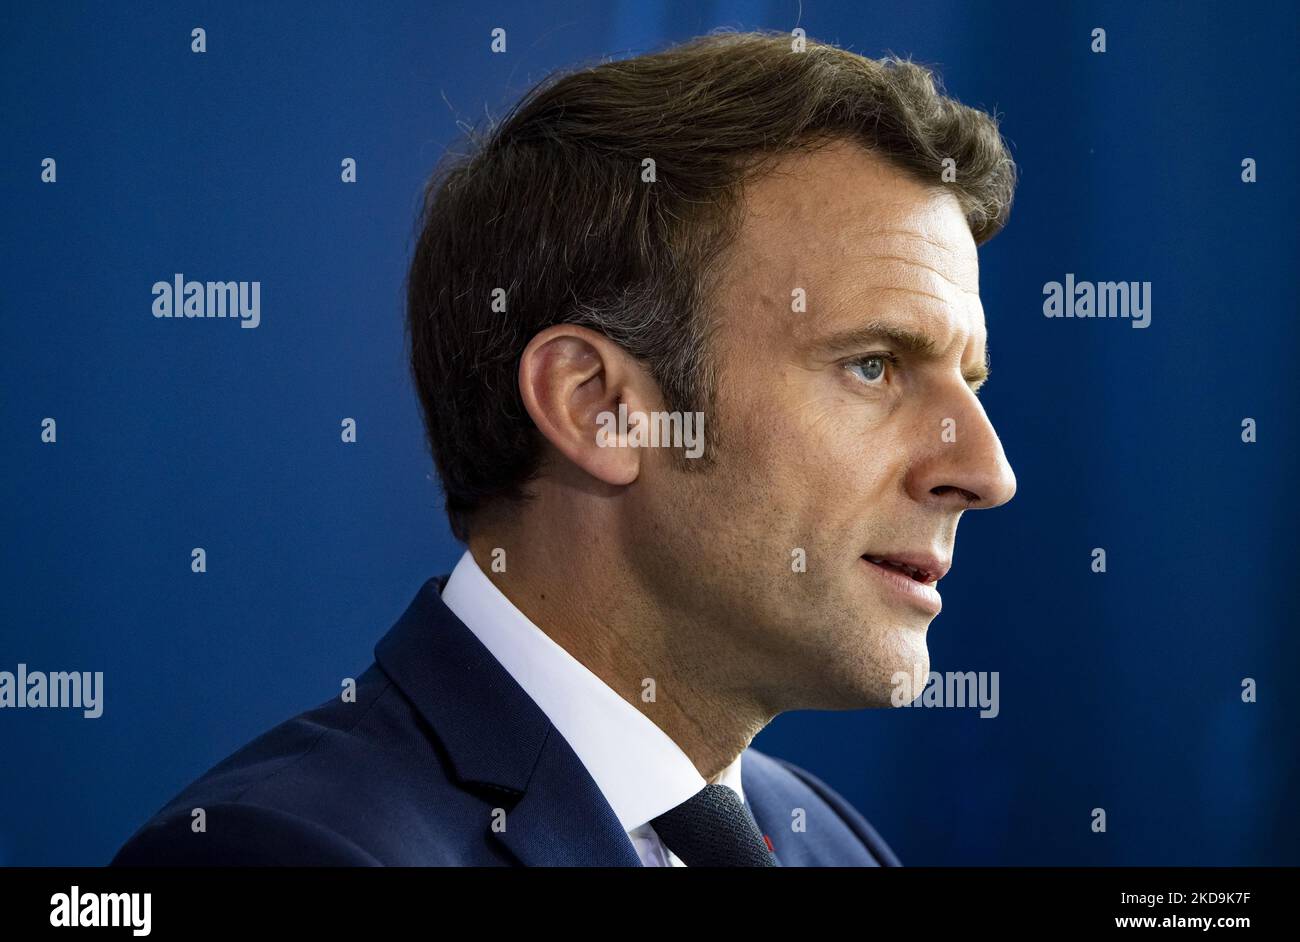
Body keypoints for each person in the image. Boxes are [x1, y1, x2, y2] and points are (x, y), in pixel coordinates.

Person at [111, 29, 1017, 867]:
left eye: (968, 384)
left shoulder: (836, 848)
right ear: (596, 405)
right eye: (873, 366)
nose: (987, 473)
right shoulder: (276, 854)